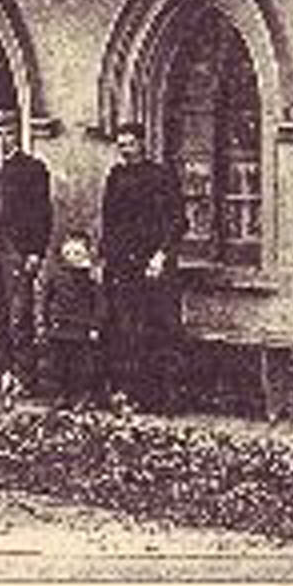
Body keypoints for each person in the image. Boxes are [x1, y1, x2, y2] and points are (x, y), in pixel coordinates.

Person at [99, 121, 183, 411]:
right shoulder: (116, 176)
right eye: (120, 145)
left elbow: (177, 221)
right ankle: (128, 394)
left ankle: (163, 399)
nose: (125, 150)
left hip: (155, 265)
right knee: (125, 330)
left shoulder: (161, 176)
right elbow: (108, 221)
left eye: (130, 144)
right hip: (123, 265)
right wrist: (105, 258)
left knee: (159, 329)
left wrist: (162, 254)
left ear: (142, 144)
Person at [0, 107, 52, 395]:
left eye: (9, 133)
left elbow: (43, 213)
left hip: (19, 249)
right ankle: (4, 372)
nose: (4, 139)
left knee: (19, 313)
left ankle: (26, 377)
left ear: (18, 134)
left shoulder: (32, 168)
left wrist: (36, 251)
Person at [38, 230, 105, 406]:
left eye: (77, 253)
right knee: (59, 363)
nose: (72, 257)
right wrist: (44, 321)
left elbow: (98, 303)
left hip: (81, 328)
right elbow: (45, 299)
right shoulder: (56, 274)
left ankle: (81, 394)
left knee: (81, 365)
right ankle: (62, 393)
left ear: (86, 254)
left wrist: (95, 326)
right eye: (68, 253)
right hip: (60, 325)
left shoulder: (90, 278)